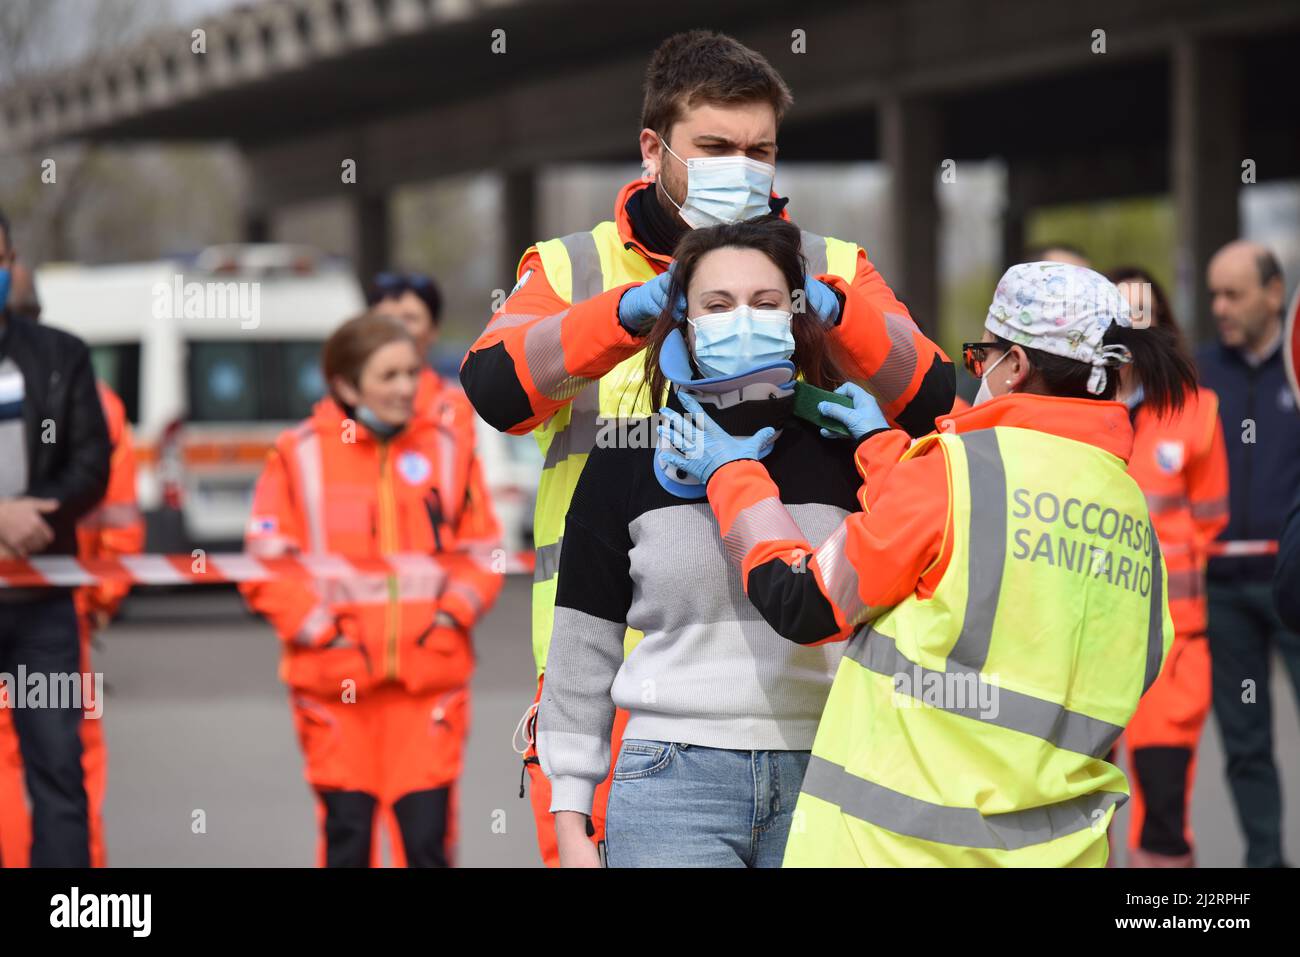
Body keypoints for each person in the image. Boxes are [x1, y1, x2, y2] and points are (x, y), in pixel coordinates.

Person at [460, 29, 955, 866]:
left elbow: (935, 399)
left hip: (811, 689)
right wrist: (627, 314)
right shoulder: (575, 268)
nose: (744, 167)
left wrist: (824, 307)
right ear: (655, 149)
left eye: (760, 149)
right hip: (618, 687)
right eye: (716, 146)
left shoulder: (831, 265)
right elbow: (496, 391)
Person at [662, 262, 1193, 866]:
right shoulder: (1131, 514)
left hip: (901, 848)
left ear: (1014, 365)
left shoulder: (953, 473)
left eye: (980, 358)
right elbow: (977, 550)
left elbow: (803, 600)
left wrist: (733, 476)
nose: (978, 371)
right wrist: (879, 446)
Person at [538, 217, 863, 867]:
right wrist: (570, 815)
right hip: (671, 786)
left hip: (829, 773)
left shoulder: (851, 447)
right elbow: (583, 643)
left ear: (798, 318)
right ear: (683, 322)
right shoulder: (626, 455)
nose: (743, 317)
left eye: (766, 302)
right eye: (717, 304)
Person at [240, 313, 503, 867]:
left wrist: (451, 616)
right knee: (348, 844)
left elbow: (485, 552)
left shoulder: (447, 448)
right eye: (388, 376)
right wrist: (324, 632)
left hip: (427, 687)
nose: (406, 387)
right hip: (336, 688)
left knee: (428, 845)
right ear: (345, 384)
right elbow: (266, 564)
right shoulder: (299, 453)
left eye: (411, 372)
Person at [1106, 266, 1228, 867]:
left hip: (1173, 647)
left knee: (1161, 819)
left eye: (1142, 314)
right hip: (1088, 643)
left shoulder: (1198, 412)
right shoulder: (1076, 417)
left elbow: (1210, 519)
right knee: (1076, 813)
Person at [0, 211, 111, 868]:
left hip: (42, 600)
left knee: (59, 771)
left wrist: (34, 515)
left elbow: (92, 460)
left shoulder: (59, 355)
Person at [0, 372, 144, 869]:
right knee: (66, 765)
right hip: (58, 615)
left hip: (51, 609)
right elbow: (120, 517)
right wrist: (99, 601)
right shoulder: (96, 402)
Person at [1198, 239, 1300, 868]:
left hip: (1294, 583)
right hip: (1225, 589)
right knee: (1245, 741)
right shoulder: (1200, 375)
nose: (1220, 306)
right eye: (1213, 293)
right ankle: (1266, 863)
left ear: (1275, 294)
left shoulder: (1298, 369)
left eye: (1234, 293)